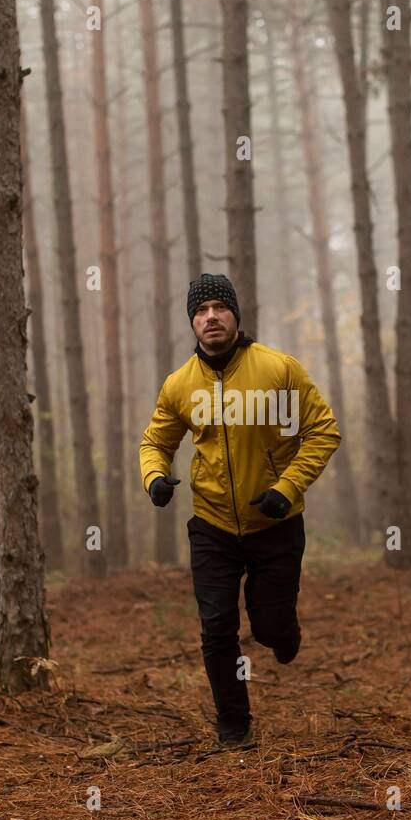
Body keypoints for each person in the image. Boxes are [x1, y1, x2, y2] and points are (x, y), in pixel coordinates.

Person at [139, 273, 341, 748]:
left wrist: (287, 488)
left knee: (269, 628)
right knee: (217, 627)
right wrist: (154, 478)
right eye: (201, 310)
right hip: (211, 526)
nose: (211, 317)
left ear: (235, 315)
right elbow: (156, 441)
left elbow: (323, 431)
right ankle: (233, 725)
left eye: (219, 307)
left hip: (275, 523)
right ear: (192, 321)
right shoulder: (179, 384)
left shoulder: (277, 369)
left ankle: (283, 630)